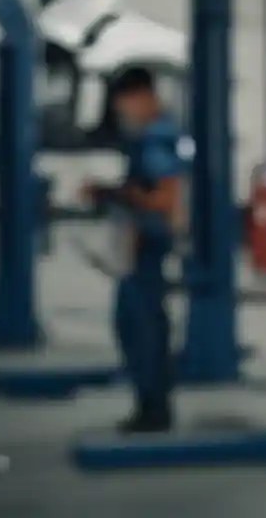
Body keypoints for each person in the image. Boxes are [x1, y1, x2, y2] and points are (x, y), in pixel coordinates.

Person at [82, 67, 185, 433]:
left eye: (125, 103)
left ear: (142, 96)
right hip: (144, 244)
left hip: (147, 246)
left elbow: (165, 196)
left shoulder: (156, 138)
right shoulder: (158, 134)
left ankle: (154, 409)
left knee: (141, 326)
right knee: (140, 324)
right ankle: (151, 405)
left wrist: (113, 193)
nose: (123, 112)